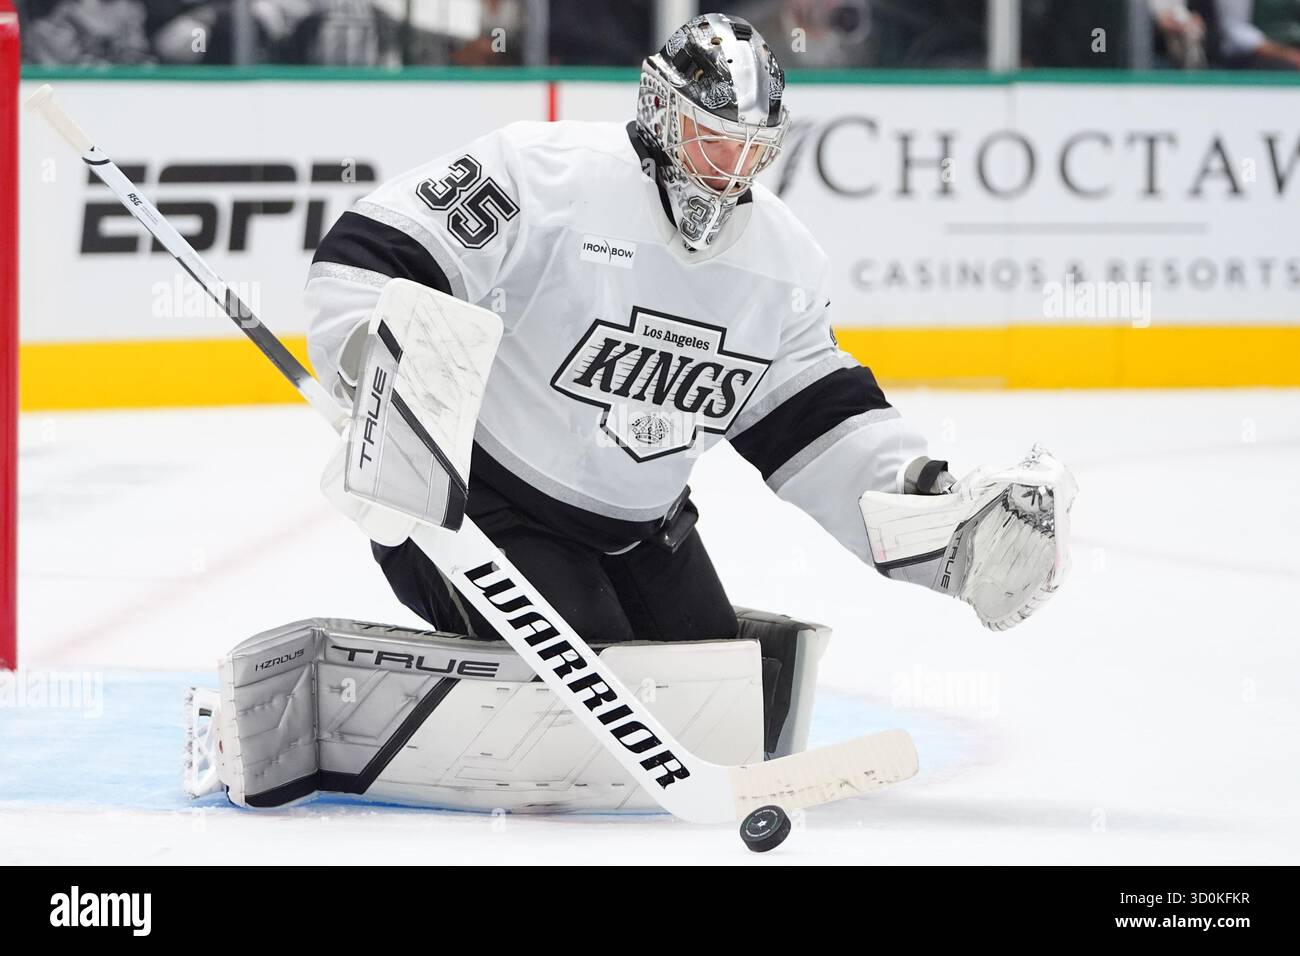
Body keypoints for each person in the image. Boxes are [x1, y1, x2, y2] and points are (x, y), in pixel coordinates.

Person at [305, 12, 1073, 645]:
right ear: (663, 113)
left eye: (752, 151)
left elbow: (815, 424)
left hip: (644, 529)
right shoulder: (548, 172)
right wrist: (377, 396)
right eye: (715, 139)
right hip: (481, 508)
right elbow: (373, 254)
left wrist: (929, 503)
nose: (730, 170)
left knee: (716, 683)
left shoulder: (783, 261)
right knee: (603, 666)